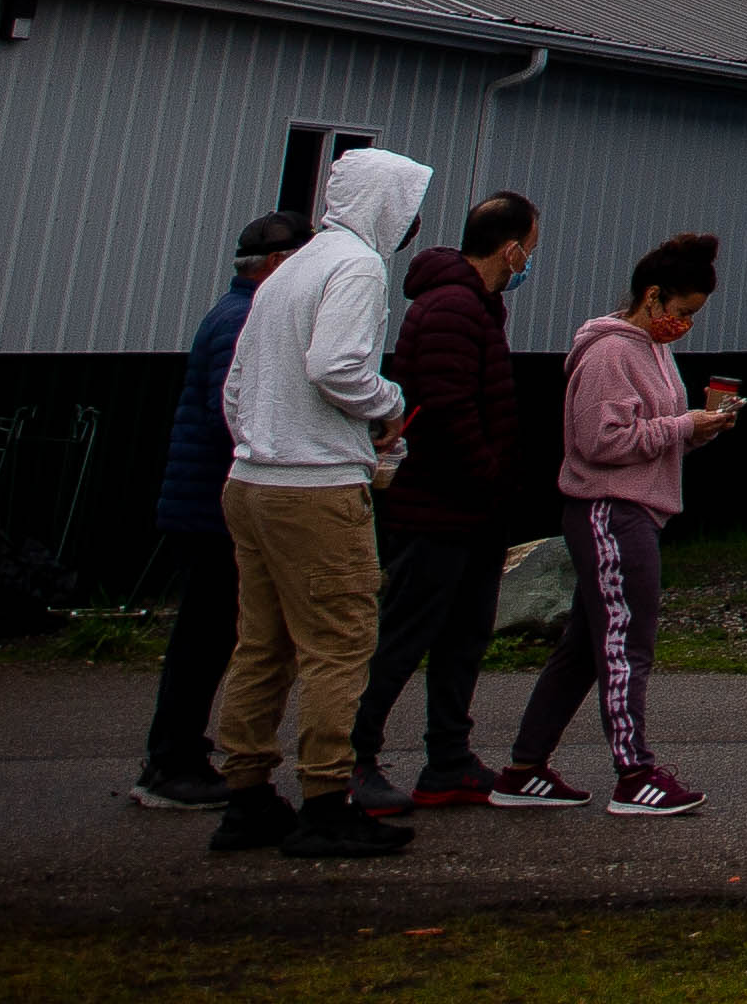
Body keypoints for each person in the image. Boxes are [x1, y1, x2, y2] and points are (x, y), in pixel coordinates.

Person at [212, 142, 432, 858]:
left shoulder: (291, 267)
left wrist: (262, 442)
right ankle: (327, 799)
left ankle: (246, 795)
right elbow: (337, 366)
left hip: (251, 479)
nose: (410, 224)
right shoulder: (357, 267)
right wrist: (388, 402)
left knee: (263, 643)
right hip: (315, 487)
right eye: (407, 207)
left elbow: (237, 386)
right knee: (339, 644)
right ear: (384, 207)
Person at [486, 230, 739, 814]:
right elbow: (600, 441)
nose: (684, 325)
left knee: (583, 648)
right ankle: (634, 774)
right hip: (610, 511)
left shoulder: (650, 348)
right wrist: (682, 428)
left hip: (634, 508)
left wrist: (696, 429)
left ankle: (524, 769)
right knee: (627, 643)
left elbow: (645, 436)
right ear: (652, 297)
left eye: (693, 316)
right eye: (680, 312)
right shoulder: (610, 353)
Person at [347, 188, 536, 813]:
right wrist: (489, 474)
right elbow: (451, 408)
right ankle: (354, 759)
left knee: (462, 637)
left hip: (469, 509)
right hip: (441, 505)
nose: (529, 260)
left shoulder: (474, 308)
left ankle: (448, 758)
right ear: (509, 249)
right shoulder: (456, 308)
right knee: (405, 635)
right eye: (529, 248)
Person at [127, 213, 303, 812]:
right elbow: (230, 411)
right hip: (213, 506)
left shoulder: (234, 313)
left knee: (211, 634)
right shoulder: (244, 320)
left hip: (204, 498)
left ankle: (180, 752)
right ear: (278, 266)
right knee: (205, 637)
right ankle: (171, 761)